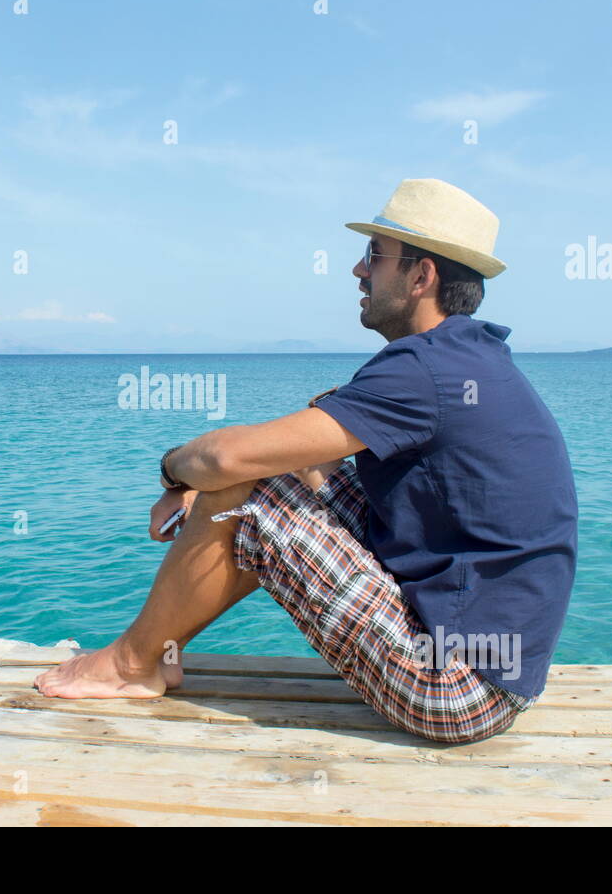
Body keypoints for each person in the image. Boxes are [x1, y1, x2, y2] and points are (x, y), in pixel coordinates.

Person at [34, 178, 578, 744]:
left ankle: (131, 663)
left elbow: (224, 457)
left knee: (245, 490)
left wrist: (175, 473)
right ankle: (161, 649)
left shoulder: (426, 369)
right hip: (501, 674)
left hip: (458, 687)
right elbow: (299, 445)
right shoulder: (462, 358)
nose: (358, 271)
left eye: (375, 256)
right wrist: (215, 480)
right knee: (265, 471)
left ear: (421, 277)